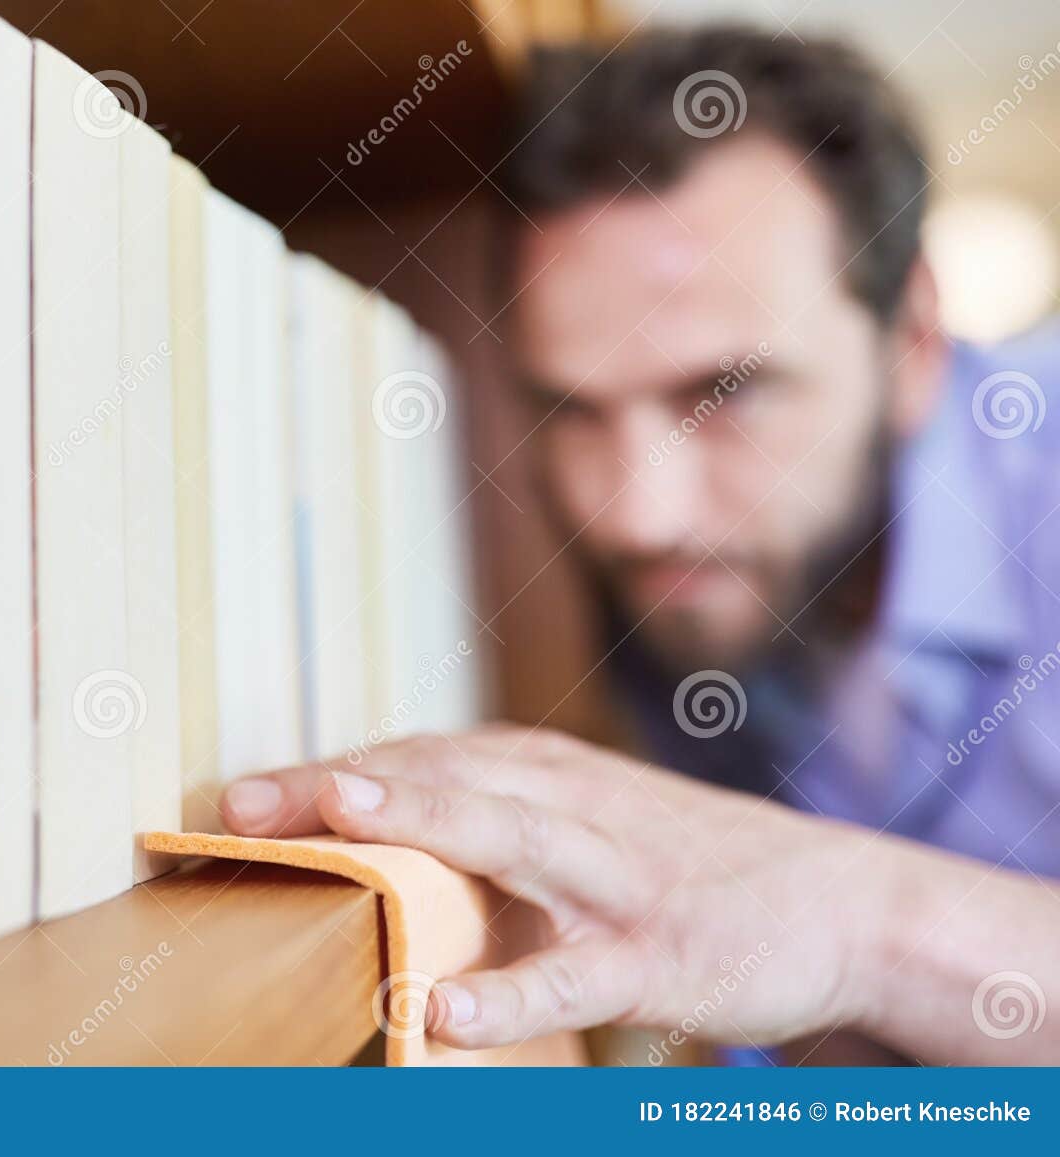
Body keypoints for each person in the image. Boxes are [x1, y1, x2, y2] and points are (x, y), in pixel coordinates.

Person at [221, 26, 1060, 1064]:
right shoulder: (711, 574)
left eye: (725, 393)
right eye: (568, 409)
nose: (634, 514)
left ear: (913, 340)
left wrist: (862, 919)